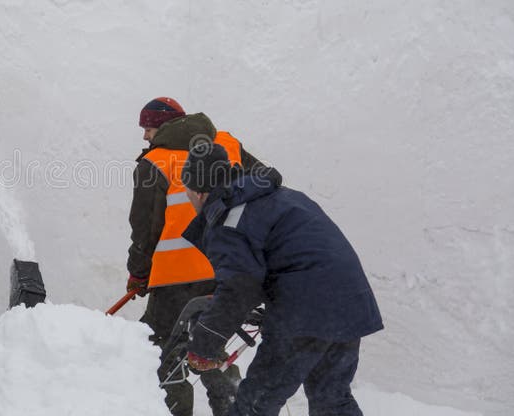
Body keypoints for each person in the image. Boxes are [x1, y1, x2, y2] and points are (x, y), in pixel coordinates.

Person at [179, 142, 383, 416]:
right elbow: (295, 255)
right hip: (350, 302)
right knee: (332, 400)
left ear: (200, 192)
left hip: (306, 310)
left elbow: (238, 287)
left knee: (254, 404)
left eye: (187, 193)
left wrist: (204, 345)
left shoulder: (229, 219)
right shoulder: (278, 196)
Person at [125, 97, 282, 416]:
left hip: (177, 278)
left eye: (149, 127)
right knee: (206, 340)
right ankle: (233, 403)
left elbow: (144, 229)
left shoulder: (154, 163)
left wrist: (139, 274)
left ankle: (172, 411)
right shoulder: (228, 144)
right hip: (229, 270)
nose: (145, 135)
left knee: (161, 355)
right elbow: (268, 186)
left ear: (164, 126)